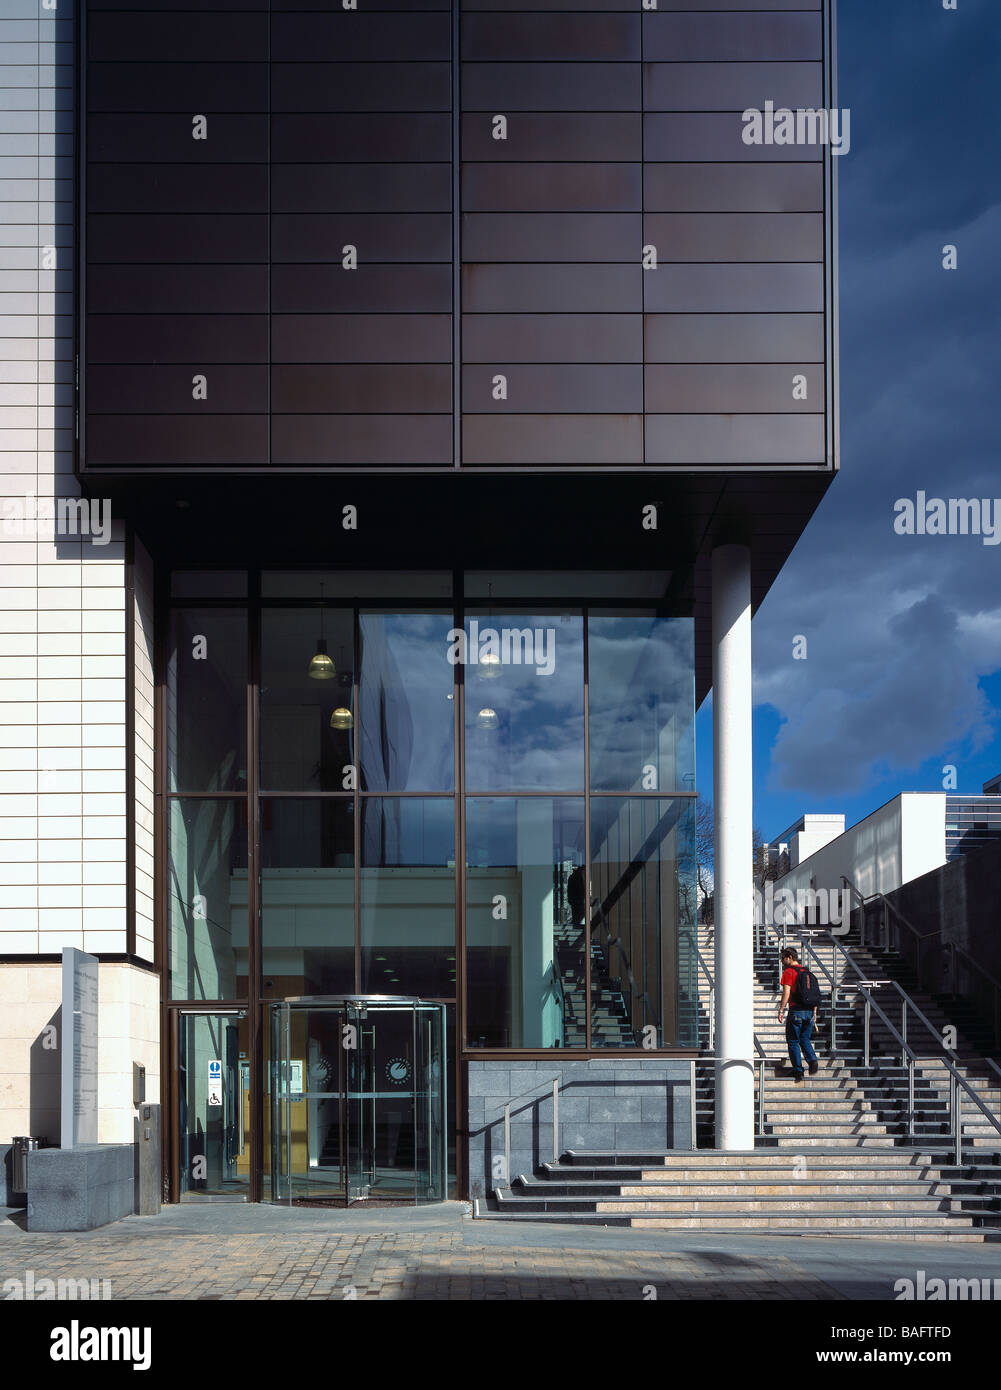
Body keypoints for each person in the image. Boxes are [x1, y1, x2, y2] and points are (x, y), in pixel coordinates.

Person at [777, 946, 819, 1082]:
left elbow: (786, 993)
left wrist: (781, 1009)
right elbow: (814, 994)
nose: (782, 962)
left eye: (783, 959)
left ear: (789, 957)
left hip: (796, 1011)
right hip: (810, 1011)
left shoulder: (789, 972)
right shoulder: (806, 971)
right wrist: (815, 1012)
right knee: (805, 1039)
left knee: (793, 1041)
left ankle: (798, 1070)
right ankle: (812, 1059)